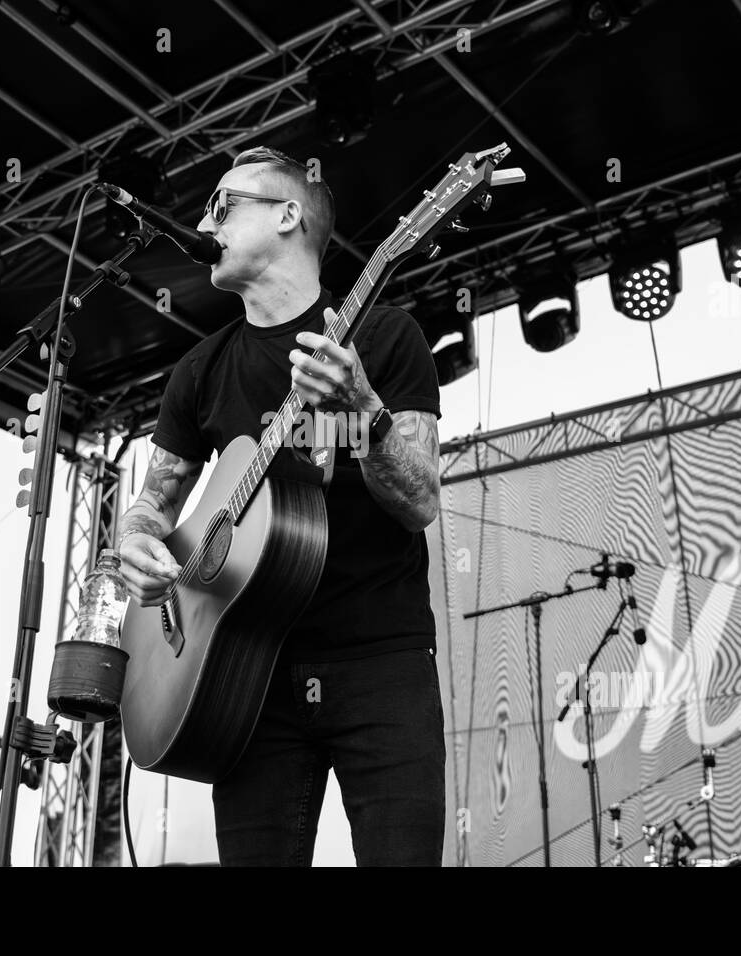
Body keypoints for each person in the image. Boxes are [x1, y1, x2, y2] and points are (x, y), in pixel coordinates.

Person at [117, 146, 444, 866]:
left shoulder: (386, 337)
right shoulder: (198, 372)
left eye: (223, 205)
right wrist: (136, 542)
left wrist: (366, 411)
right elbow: (151, 503)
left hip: (379, 663)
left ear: (289, 215)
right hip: (243, 675)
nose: (206, 222)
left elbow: (420, 502)